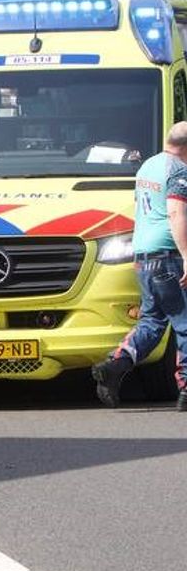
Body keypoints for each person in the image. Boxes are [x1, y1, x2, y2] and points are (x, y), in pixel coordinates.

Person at [92, 121, 187, 410]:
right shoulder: (179, 171)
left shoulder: (147, 166)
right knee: (184, 323)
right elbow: (176, 213)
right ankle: (186, 387)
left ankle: (115, 365)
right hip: (169, 254)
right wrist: (186, 255)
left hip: (144, 254)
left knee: (152, 321)